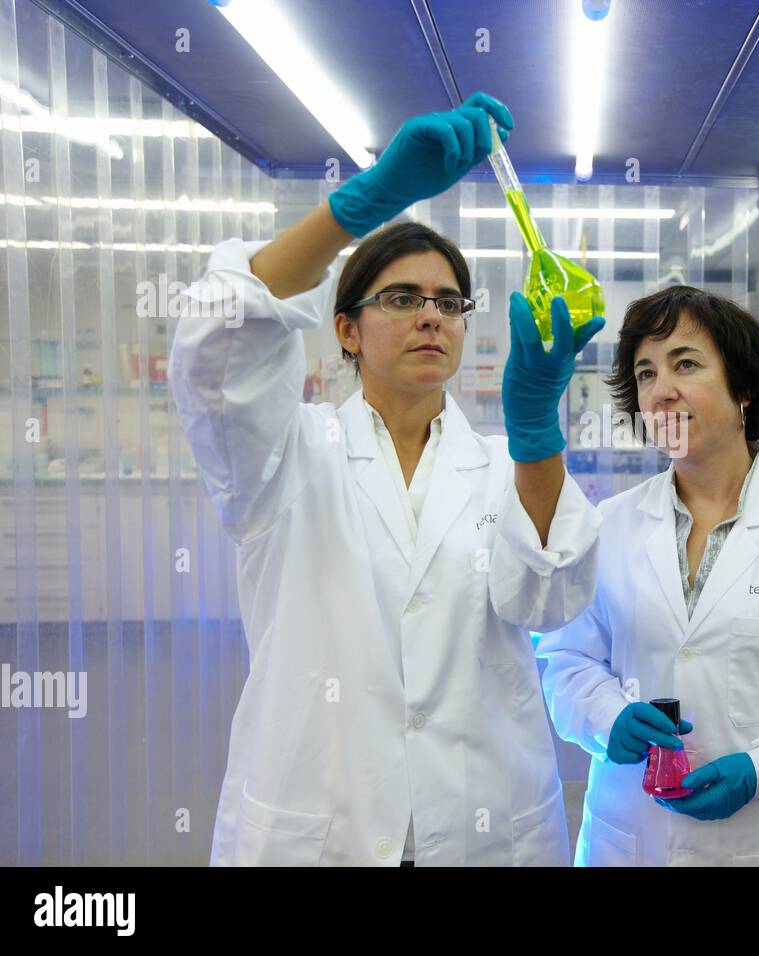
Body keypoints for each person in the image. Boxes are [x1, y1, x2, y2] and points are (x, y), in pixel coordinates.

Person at [169, 93, 605, 865]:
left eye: (448, 302)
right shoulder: (281, 456)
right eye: (400, 299)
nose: (430, 317)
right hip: (320, 822)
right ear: (346, 329)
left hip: (483, 823)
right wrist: (359, 204)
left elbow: (548, 598)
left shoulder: (506, 464)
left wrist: (539, 430)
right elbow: (215, 340)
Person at [537, 286, 759, 866]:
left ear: (744, 389)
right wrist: (609, 717)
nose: (661, 390)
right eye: (645, 372)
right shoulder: (608, 525)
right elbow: (566, 663)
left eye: (685, 363)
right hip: (632, 841)